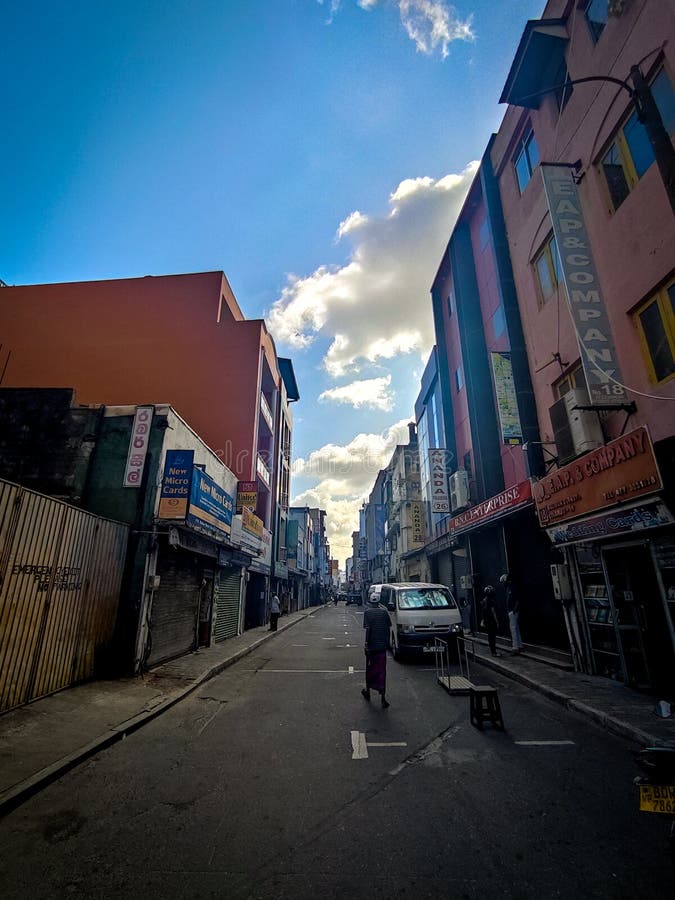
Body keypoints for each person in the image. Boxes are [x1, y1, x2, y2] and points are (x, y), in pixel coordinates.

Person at [361, 593, 391, 708]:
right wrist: (387, 643)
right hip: (382, 647)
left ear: (370, 601)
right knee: (382, 671)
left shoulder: (367, 613)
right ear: (378, 601)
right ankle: (383, 697)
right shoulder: (384, 612)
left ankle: (368, 691)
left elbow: (368, 630)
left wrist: (366, 644)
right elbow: (388, 628)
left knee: (370, 670)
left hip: (372, 647)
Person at [501, 572, 523, 654]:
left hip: (512, 611)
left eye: (503, 582)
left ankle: (515, 648)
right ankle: (520, 646)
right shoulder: (509, 588)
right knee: (516, 628)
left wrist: (514, 609)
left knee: (513, 629)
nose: (503, 584)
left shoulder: (512, 588)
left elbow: (517, 599)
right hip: (512, 611)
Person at [480, 585, 500, 657]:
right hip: (491, 621)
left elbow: (483, 612)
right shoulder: (491, 601)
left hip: (487, 621)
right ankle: (494, 652)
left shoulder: (484, 601)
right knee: (492, 637)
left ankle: (493, 651)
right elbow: (493, 612)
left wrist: (482, 621)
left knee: (490, 637)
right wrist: (497, 621)